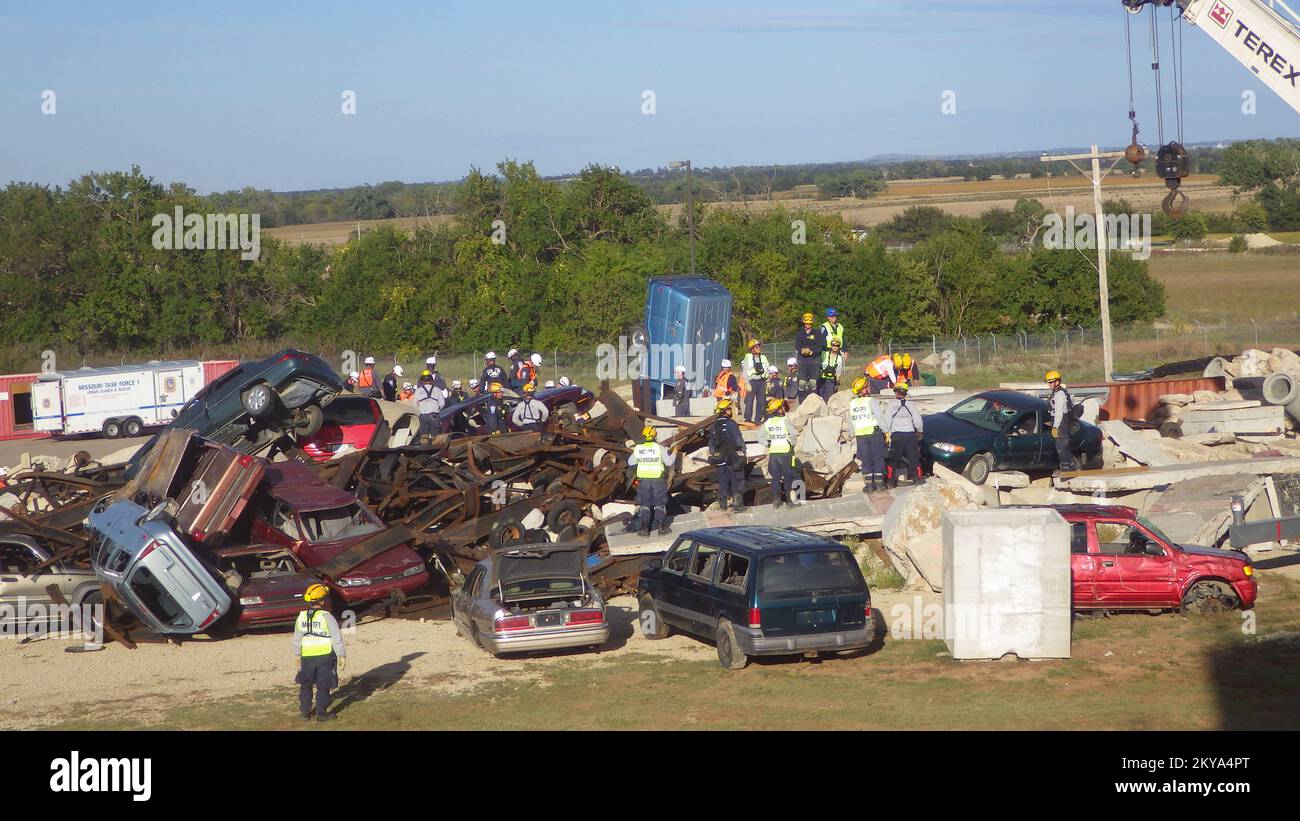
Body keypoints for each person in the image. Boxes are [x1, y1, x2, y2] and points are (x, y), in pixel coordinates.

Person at [293, 583, 346, 722]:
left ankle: (304, 712)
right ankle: (321, 714)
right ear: (322, 600)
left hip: (307, 657)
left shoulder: (302, 616)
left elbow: (297, 637)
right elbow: (336, 637)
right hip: (325, 657)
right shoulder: (327, 616)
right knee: (323, 686)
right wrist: (341, 655)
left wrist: (298, 654)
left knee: (306, 685)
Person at [628, 425, 673, 537]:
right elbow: (669, 462)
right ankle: (661, 529)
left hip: (644, 481)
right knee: (659, 504)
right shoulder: (659, 448)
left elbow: (630, 462)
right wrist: (675, 452)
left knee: (645, 505)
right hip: (657, 480)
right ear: (654, 435)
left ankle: (644, 530)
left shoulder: (639, 448)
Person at [881, 380, 924, 487]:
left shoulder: (891, 404)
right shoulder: (911, 404)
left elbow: (887, 420)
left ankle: (891, 481)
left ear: (896, 392)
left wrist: (885, 432)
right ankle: (916, 479)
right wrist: (920, 431)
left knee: (894, 460)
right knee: (914, 458)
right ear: (905, 392)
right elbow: (918, 420)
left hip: (897, 436)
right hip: (910, 435)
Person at [708, 398, 747, 511]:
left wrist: (715, 455)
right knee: (737, 481)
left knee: (723, 482)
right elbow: (738, 439)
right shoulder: (731, 424)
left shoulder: (714, 425)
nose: (731, 411)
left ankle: (723, 506)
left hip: (720, 459)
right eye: (730, 409)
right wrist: (743, 451)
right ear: (726, 410)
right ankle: (737, 506)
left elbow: (711, 445)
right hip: (732, 457)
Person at [758, 397, 797, 508]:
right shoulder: (785, 420)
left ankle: (776, 500)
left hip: (774, 454)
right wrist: (791, 444)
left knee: (775, 478)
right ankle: (789, 501)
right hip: (785, 453)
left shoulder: (768, 422)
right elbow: (793, 434)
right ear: (779, 410)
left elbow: (759, 437)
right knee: (788, 477)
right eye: (782, 407)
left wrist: (768, 443)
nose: (784, 409)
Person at [849, 377, 886, 492]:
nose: (869, 388)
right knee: (877, 457)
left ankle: (868, 485)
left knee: (866, 459)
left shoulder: (852, 403)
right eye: (867, 386)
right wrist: (886, 431)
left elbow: (851, 421)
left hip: (860, 436)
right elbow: (879, 417)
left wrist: (852, 434)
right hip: (874, 433)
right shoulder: (871, 401)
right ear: (864, 390)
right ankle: (879, 484)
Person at [1047, 370, 1080, 472]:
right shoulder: (1056, 393)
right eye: (1049, 382)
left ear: (1057, 382)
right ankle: (1068, 466)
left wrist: (1056, 426)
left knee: (1062, 446)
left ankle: (1068, 467)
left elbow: (1059, 413)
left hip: (1061, 422)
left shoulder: (1059, 394)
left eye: (1052, 382)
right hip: (1059, 421)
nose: (1050, 384)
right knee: (1061, 446)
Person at [740, 340, 770, 424]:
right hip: (752, 382)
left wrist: (768, 381)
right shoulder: (748, 357)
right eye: (757, 347)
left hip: (761, 381)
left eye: (759, 346)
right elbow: (745, 372)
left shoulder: (763, 357)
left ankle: (758, 420)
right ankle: (748, 419)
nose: (759, 348)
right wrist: (747, 383)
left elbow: (767, 370)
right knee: (749, 401)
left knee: (761, 402)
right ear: (752, 349)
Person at [794, 312, 821, 401]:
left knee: (813, 384)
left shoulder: (817, 333)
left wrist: (812, 352)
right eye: (806, 323)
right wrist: (802, 350)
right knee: (801, 383)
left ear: (812, 323)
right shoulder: (799, 333)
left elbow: (820, 347)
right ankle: (802, 402)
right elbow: (797, 346)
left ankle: (813, 402)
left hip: (814, 361)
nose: (808, 325)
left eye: (809, 323)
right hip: (802, 361)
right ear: (804, 323)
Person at [414, 372, 445, 443]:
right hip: (434, 416)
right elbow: (442, 404)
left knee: (424, 437)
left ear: (422, 381)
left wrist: (420, 412)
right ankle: (435, 451)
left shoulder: (418, 391)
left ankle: (425, 451)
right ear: (431, 380)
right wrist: (437, 409)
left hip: (422, 416)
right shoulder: (437, 390)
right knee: (435, 438)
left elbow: (415, 405)